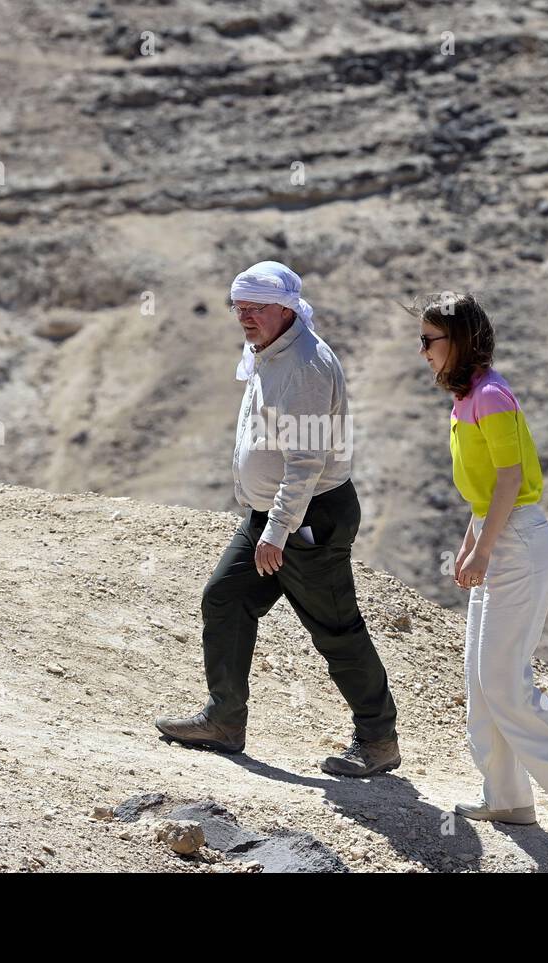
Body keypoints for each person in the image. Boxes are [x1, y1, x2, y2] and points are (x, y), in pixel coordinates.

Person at [155, 261, 401, 777]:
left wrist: (276, 531)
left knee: (334, 628)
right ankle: (224, 721)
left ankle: (378, 741)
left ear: (285, 308)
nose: (244, 316)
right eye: (239, 307)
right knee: (225, 597)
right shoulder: (270, 351)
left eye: (255, 307)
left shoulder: (306, 365)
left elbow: (306, 463)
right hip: (274, 515)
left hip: (308, 517)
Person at [417, 292, 548, 831]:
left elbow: (511, 480)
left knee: (504, 678)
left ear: (458, 342)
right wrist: (470, 541)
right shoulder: (467, 400)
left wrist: (483, 548)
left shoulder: (491, 395)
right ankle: (507, 796)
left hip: (519, 543)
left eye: (429, 340)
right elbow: (487, 492)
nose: (423, 352)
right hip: (497, 532)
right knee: (482, 679)